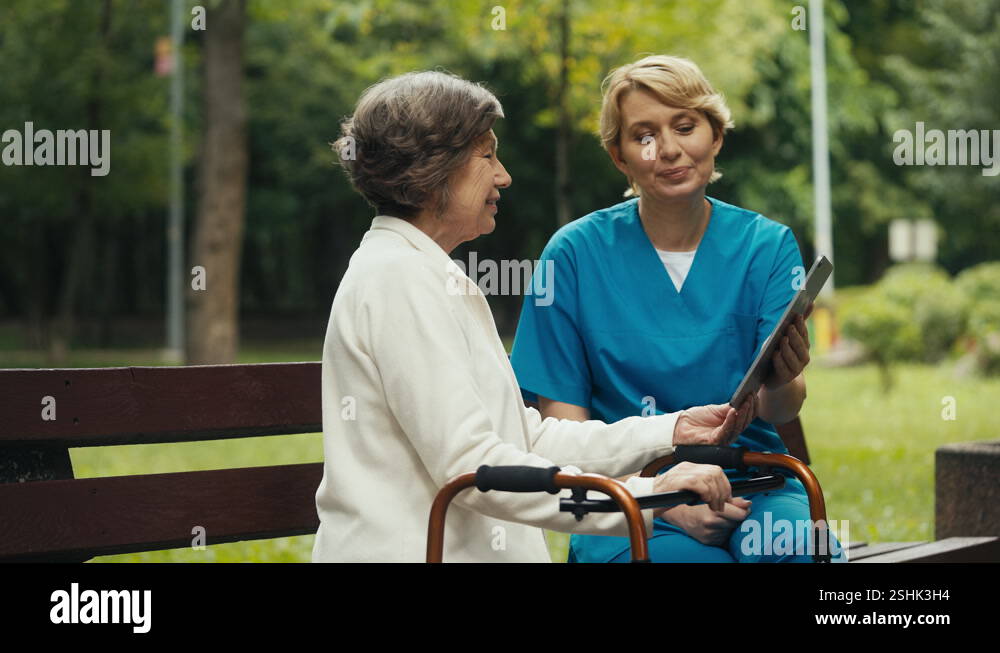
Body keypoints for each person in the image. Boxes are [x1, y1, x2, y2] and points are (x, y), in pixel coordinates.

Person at [311, 70, 758, 563]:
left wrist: (670, 430)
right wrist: (645, 497)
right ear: (433, 168)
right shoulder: (396, 280)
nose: (503, 175)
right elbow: (475, 468)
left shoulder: (428, 273)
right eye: (487, 155)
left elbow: (526, 439)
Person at [510, 55, 844, 563]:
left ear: (716, 136)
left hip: (756, 484)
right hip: (629, 496)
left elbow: (782, 410)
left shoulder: (767, 246)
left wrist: (782, 378)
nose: (668, 149)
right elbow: (563, 437)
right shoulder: (572, 258)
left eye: (685, 126)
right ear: (619, 157)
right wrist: (657, 501)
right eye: (643, 135)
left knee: (799, 552)